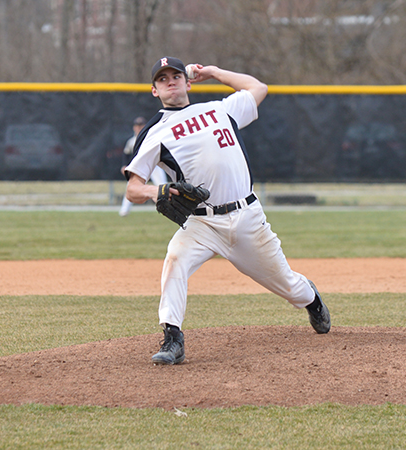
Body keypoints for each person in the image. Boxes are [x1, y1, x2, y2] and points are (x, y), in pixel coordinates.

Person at [124, 56, 330, 365]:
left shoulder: (218, 109)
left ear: (187, 81)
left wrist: (214, 72)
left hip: (247, 217)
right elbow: (133, 188)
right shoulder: (155, 132)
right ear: (155, 90)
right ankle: (172, 337)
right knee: (175, 259)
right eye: (162, 78)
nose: (170, 81)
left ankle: (311, 300)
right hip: (202, 224)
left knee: (288, 285)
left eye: (175, 75)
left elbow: (258, 88)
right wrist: (160, 191)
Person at [119, 116, 168, 216]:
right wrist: (124, 166)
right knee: (132, 186)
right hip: (139, 167)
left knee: (163, 185)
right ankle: (124, 210)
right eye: (137, 125)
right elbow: (126, 154)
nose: (139, 127)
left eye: (141, 125)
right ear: (134, 127)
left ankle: (168, 207)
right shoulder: (131, 141)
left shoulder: (152, 137)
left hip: (154, 166)